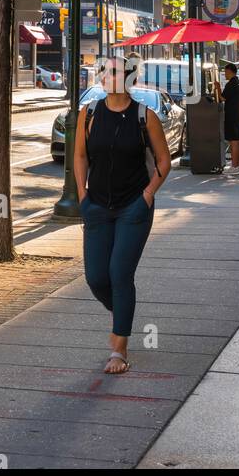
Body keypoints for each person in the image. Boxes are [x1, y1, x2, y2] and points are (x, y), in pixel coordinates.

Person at [74, 55, 171, 374]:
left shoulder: (146, 116)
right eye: (104, 71)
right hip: (97, 206)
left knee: (119, 274)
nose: (106, 75)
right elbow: (79, 155)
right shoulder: (88, 113)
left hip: (133, 207)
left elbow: (163, 161)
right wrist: (82, 196)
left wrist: (147, 196)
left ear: (128, 78)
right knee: (96, 278)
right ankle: (123, 315)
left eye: (114, 71)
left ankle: (119, 349)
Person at [219, 61, 239, 176]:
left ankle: (234, 166)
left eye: (225, 72)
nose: (224, 74)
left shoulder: (231, 84)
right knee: (238, 140)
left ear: (230, 71)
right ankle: (238, 166)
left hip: (231, 115)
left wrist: (216, 88)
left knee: (233, 141)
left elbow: (222, 98)